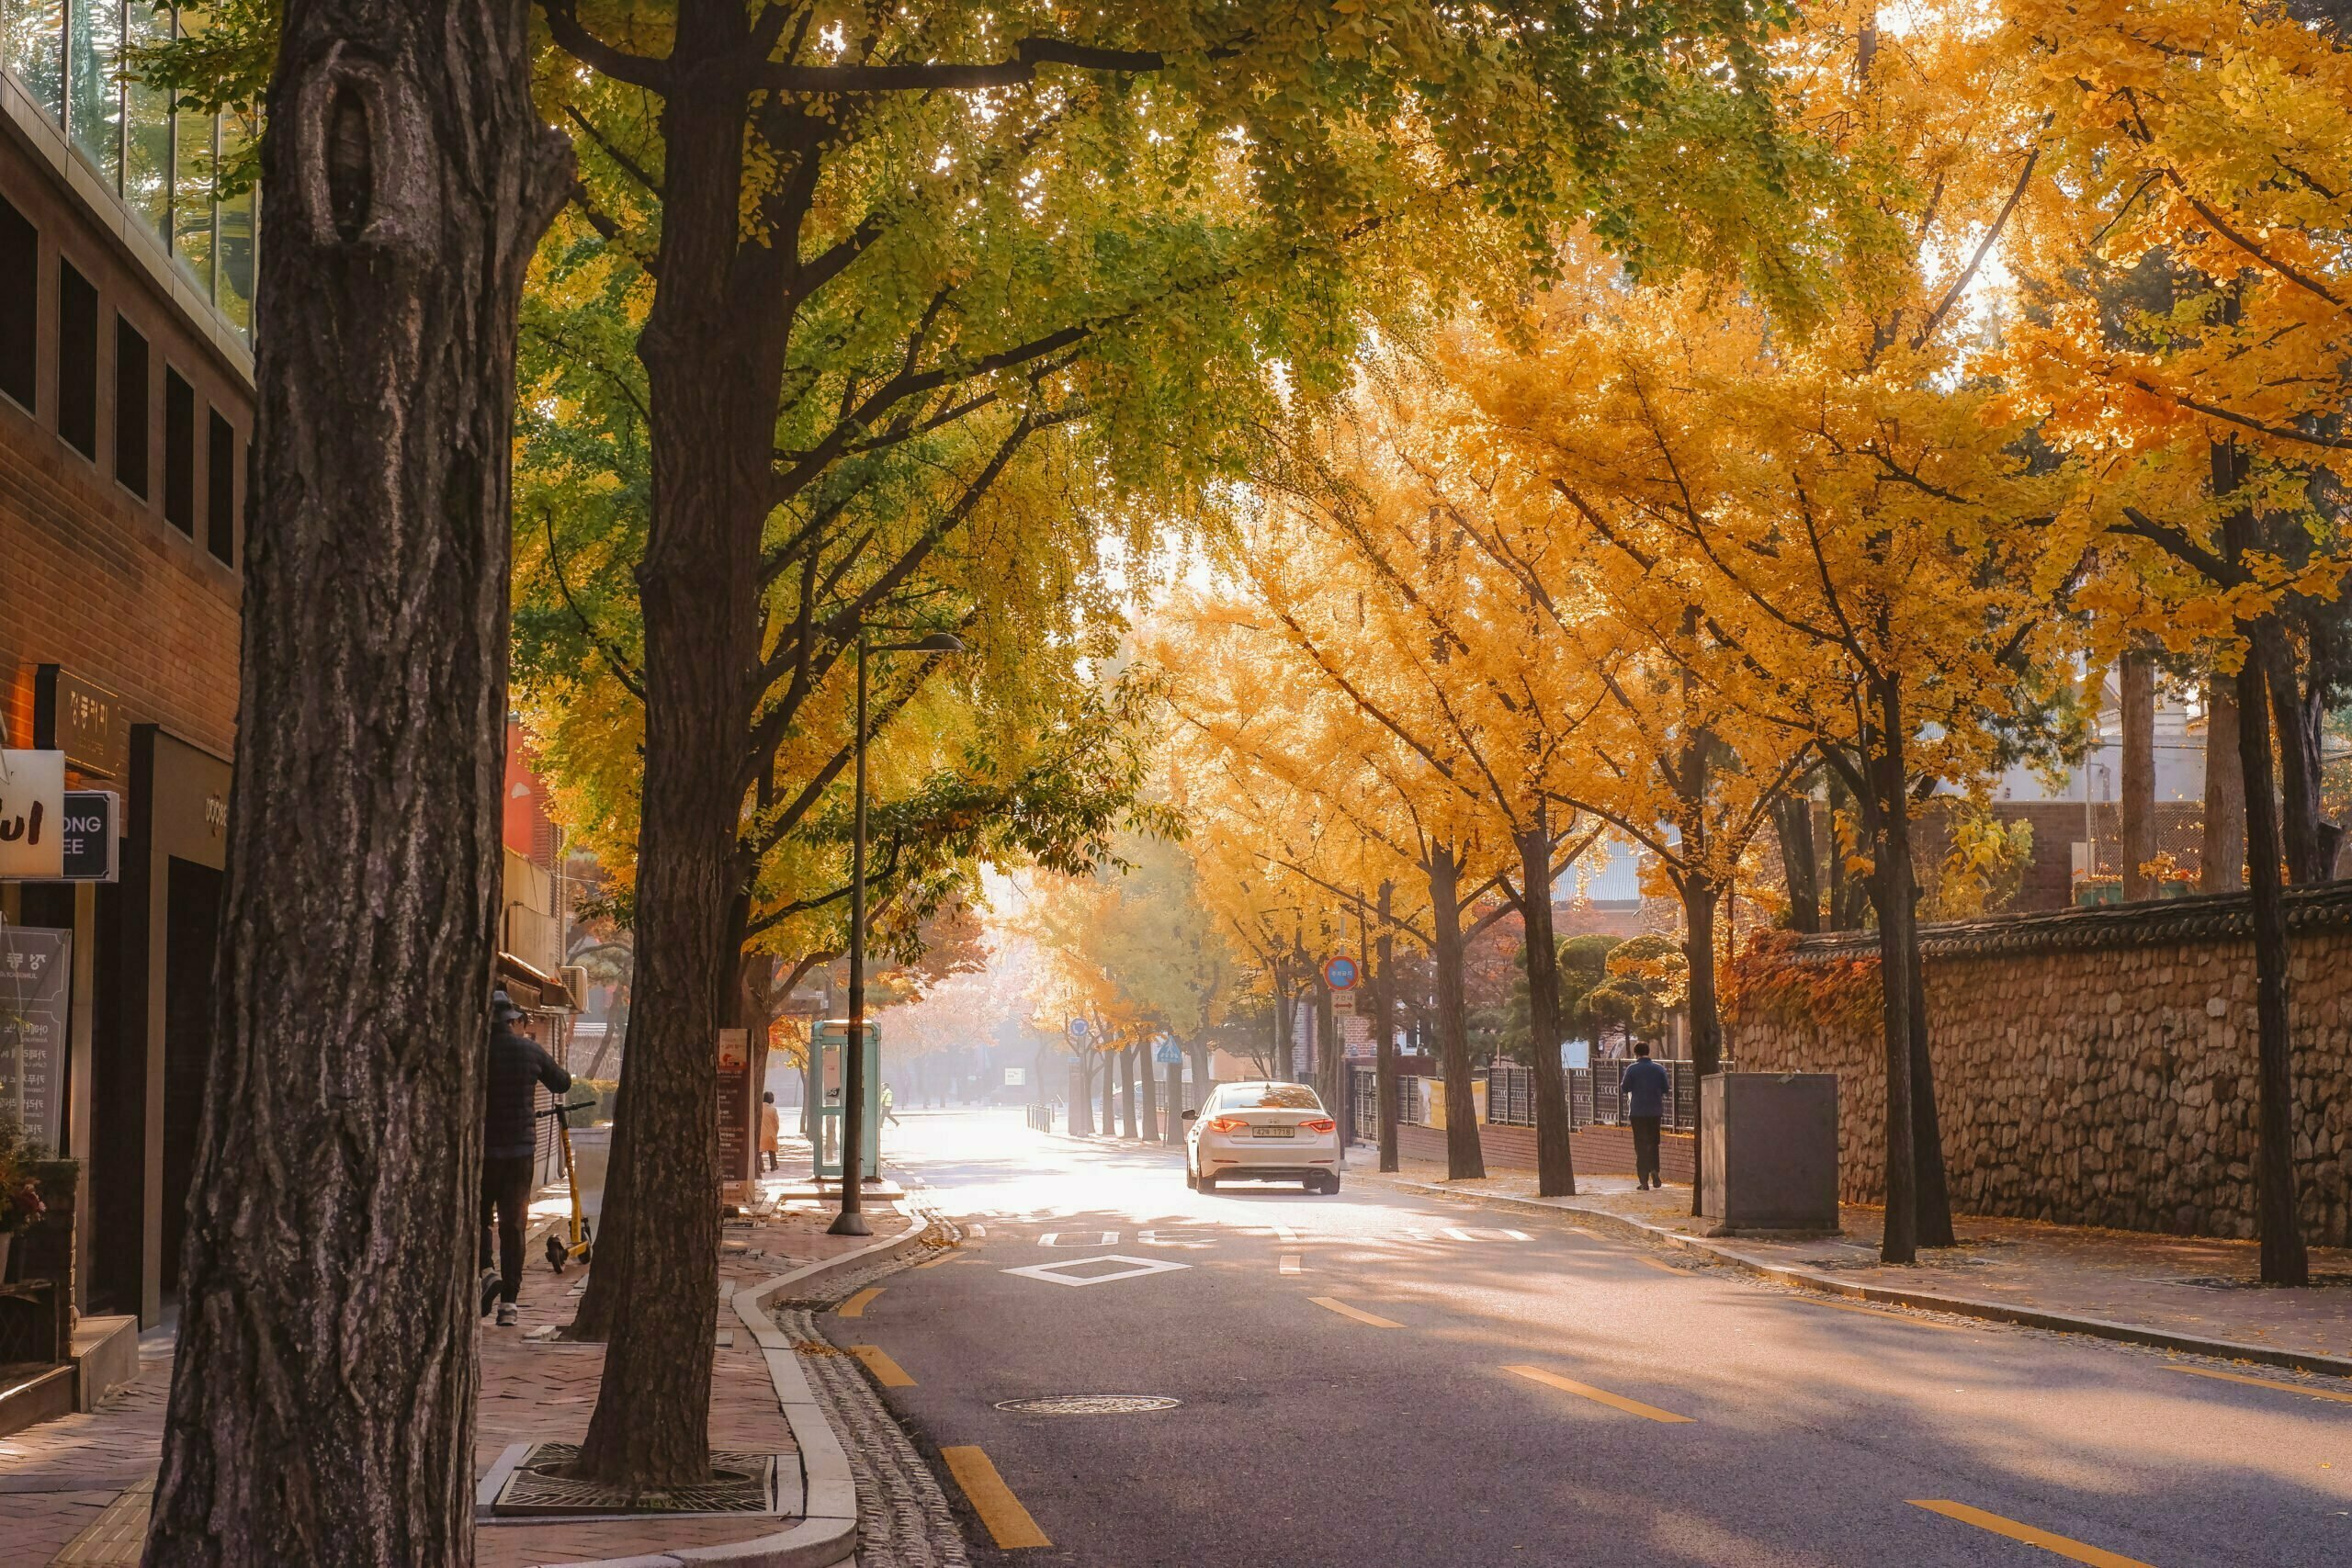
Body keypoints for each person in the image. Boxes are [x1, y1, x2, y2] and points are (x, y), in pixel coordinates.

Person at [481, 989, 571, 1326]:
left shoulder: (474, 1052)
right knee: (513, 1226)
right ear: (512, 1021)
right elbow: (562, 1083)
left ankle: (486, 1272)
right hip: (520, 1151)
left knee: (478, 1219)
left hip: (481, 1152)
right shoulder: (528, 1049)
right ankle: (509, 1304)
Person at [1619, 1041, 1671, 1191]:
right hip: (1655, 1111)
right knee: (1654, 1143)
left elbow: (1625, 1088)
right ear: (1648, 1052)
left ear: (1636, 1053)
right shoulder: (1659, 1068)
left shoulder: (1632, 1069)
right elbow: (1666, 1088)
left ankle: (1644, 1180)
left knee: (1640, 1145)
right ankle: (1654, 1169)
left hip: (1637, 1112)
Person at [760, 1089, 781, 1174]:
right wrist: (775, 1132)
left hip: (760, 1134)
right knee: (772, 1151)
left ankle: (760, 1167)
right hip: (770, 1134)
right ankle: (773, 1165)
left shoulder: (759, 1109)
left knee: (759, 1152)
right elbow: (776, 1123)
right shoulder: (773, 1110)